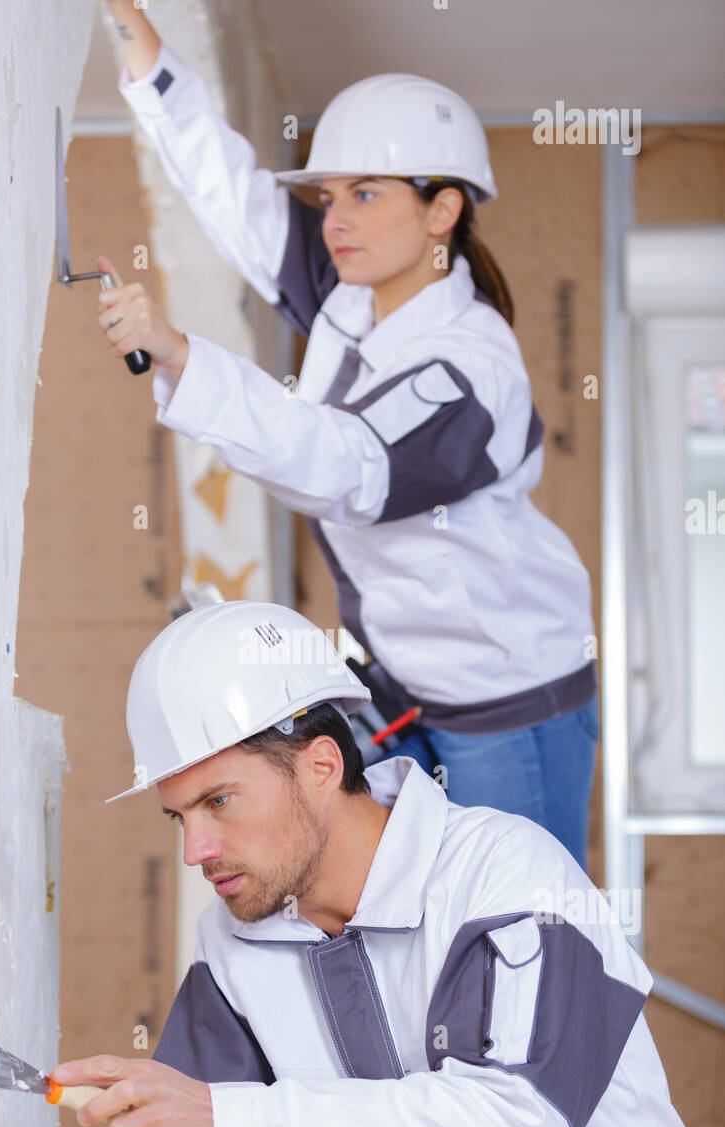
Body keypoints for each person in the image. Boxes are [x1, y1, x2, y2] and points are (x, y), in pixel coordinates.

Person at [51, 600, 725, 1127]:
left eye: (219, 803)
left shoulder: (505, 876)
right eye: (179, 815)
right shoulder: (234, 937)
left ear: (320, 764)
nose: (196, 851)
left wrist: (227, 1122)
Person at [95, 0, 600, 870]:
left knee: (527, 931)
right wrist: (140, 46)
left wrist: (182, 357)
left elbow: (352, 469)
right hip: (414, 683)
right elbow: (236, 198)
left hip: (509, 700)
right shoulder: (352, 297)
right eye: (330, 196)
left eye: (366, 194)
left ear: (442, 211)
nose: (336, 219)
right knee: (427, 927)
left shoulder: (472, 368)